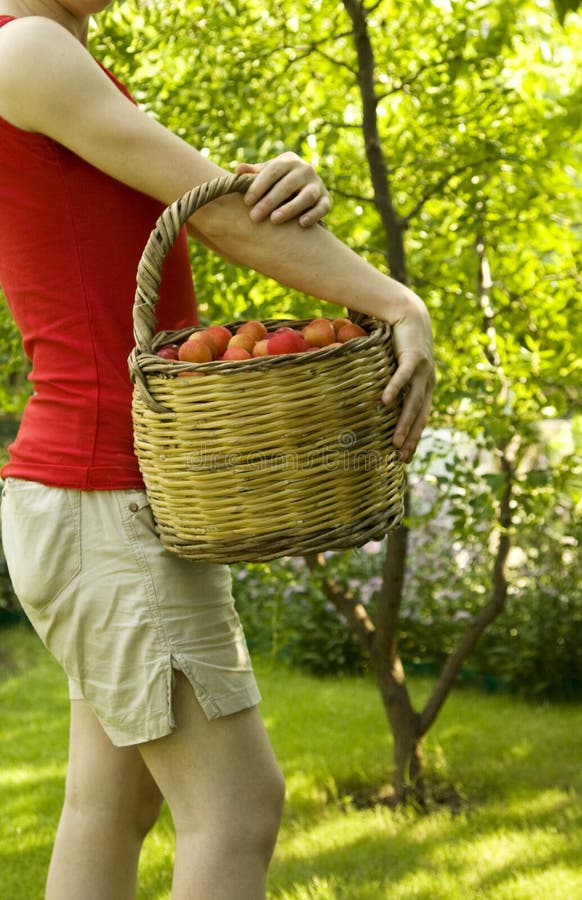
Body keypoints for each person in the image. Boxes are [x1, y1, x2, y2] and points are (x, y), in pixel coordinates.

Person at [0, 2, 435, 899]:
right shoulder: (29, 48)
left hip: (94, 491)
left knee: (109, 806)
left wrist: (271, 183)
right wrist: (396, 302)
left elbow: (188, 206)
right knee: (236, 809)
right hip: (106, 494)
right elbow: (223, 222)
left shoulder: (50, 53)